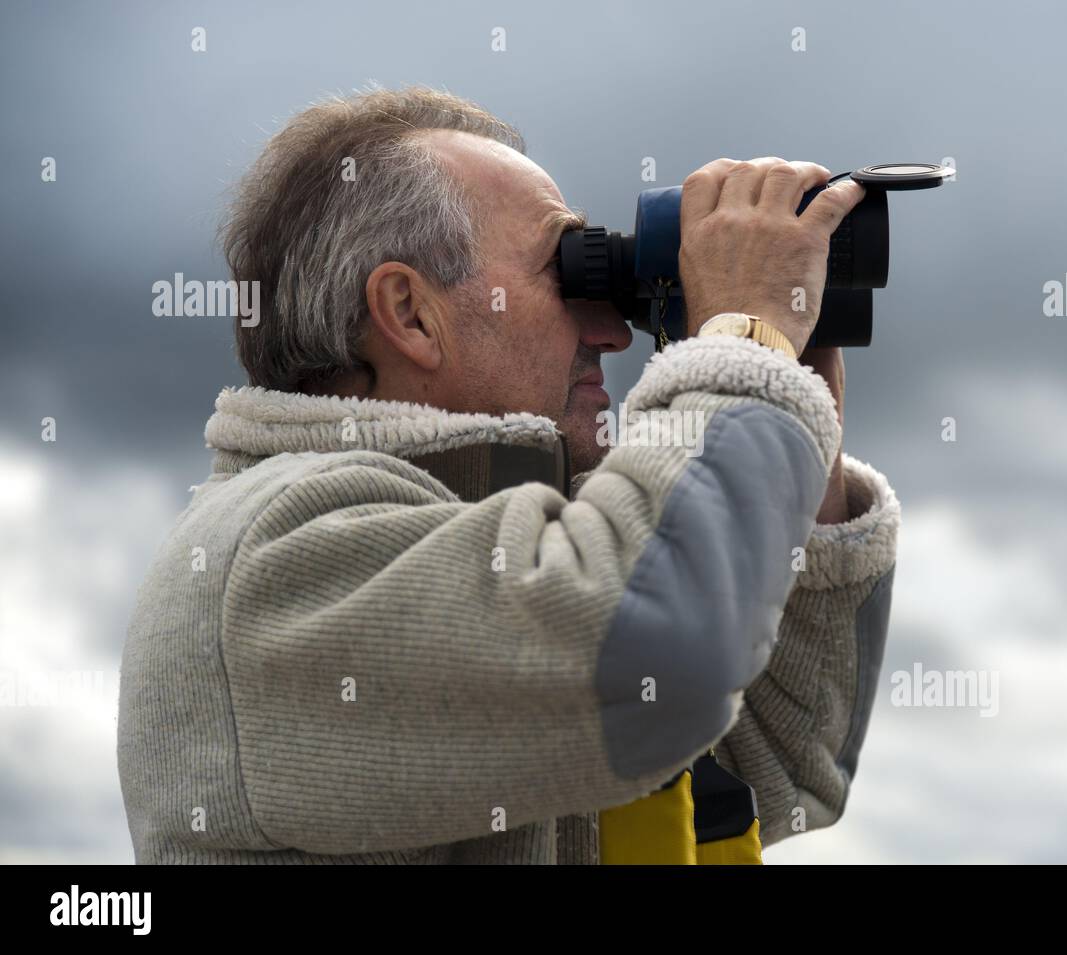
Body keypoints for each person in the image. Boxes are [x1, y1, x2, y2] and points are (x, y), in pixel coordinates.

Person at [116, 85, 900, 863]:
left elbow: (786, 766)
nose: (609, 328)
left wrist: (796, 396)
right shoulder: (276, 551)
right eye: (567, 270)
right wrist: (743, 342)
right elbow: (664, 659)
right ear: (411, 312)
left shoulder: (515, 545)